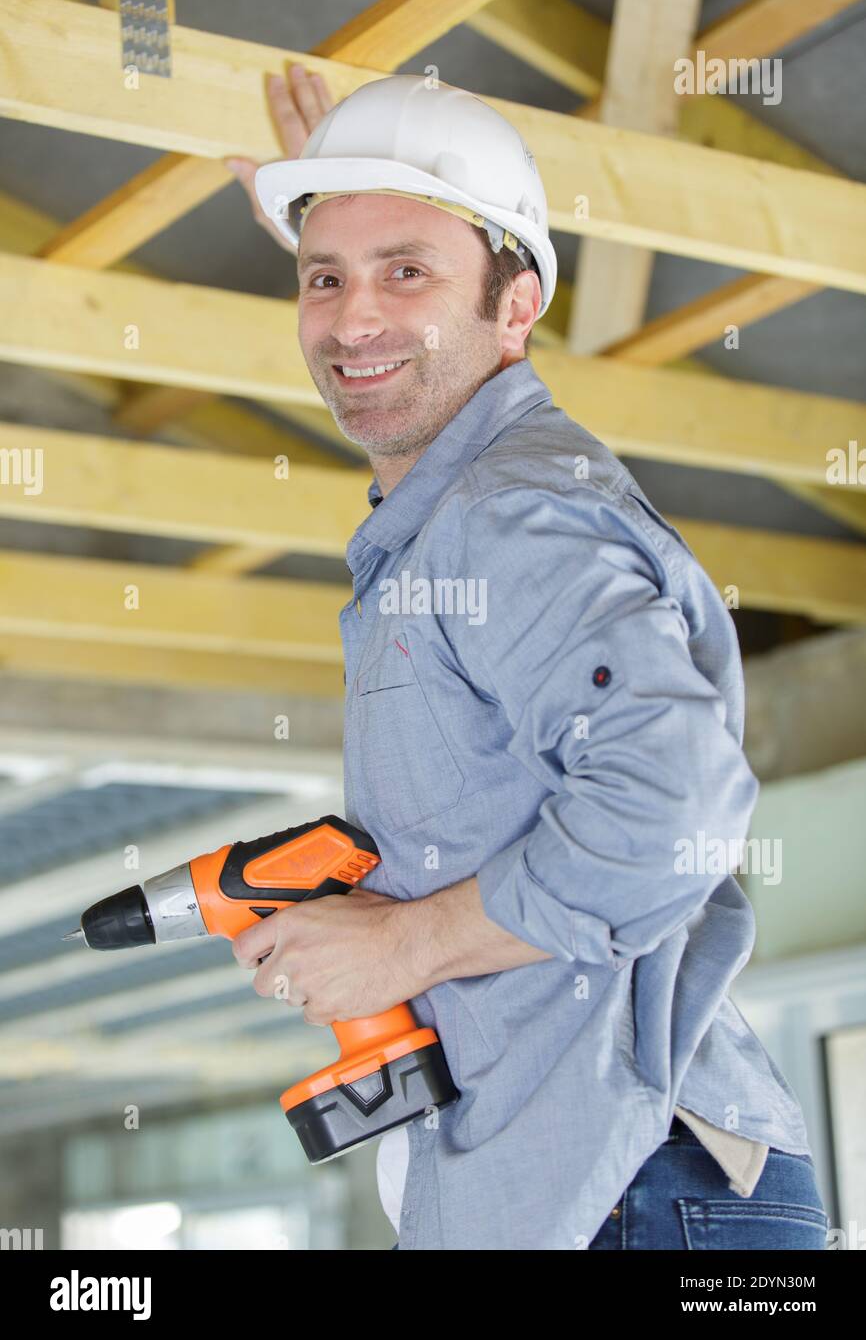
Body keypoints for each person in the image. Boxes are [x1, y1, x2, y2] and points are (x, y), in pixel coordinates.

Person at [225, 68, 830, 1251]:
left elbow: (674, 807)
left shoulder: (511, 517)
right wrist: (354, 210)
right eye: (321, 279)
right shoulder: (450, 506)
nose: (351, 318)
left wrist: (399, 944)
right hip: (601, 1193)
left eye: (409, 270)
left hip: (632, 1196)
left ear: (517, 307)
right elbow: (391, 329)